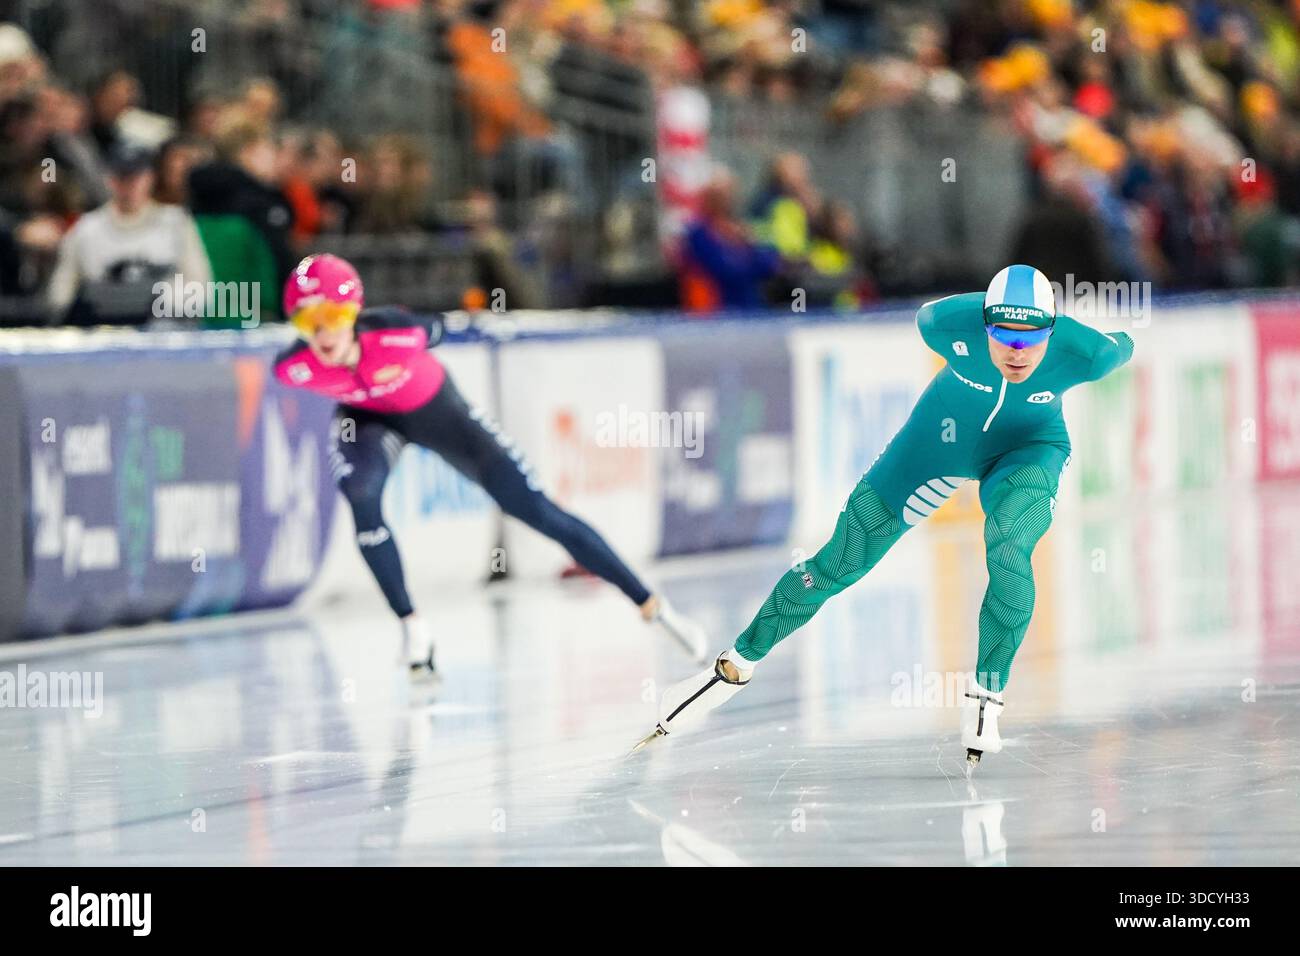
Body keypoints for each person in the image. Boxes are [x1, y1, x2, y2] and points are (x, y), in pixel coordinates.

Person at [637, 264, 1135, 774]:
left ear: (1052, 333)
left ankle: (987, 692)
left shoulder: (1087, 354)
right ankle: (733, 667)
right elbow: (935, 313)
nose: (1015, 350)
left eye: (1030, 338)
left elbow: (1125, 341)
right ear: (983, 323)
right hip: (936, 443)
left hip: (1029, 450)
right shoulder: (944, 324)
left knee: (1009, 545)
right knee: (839, 562)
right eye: (1002, 333)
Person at [273, 254, 708, 678]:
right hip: (368, 421)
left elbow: (442, 326)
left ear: (353, 312)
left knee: (534, 508)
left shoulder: (397, 334)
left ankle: (654, 606)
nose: (323, 332)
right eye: (307, 321)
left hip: (440, 415)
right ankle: (414, 630)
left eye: (331, 314)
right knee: (360, 493)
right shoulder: (293, 367)